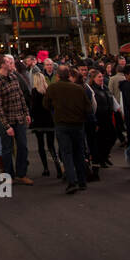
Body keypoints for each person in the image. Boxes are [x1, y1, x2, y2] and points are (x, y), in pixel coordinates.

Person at [44, 65, 93, 194]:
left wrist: (55, 109)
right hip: (77, 124)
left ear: (58, 76)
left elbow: (46, 104)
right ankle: (82, 181)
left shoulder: (53, 88)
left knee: (67, 153)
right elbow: (88, 107)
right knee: (79, 152)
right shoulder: (78, 88)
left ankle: (72, 181)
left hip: (62, 124)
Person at [0, 55, 33, 184]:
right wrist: (6, 126)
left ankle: (21, 173)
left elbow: (21, 96)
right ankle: (9, 175)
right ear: (2, 65)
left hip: (19, 117)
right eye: (8, 62)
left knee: (23, 146)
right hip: (7, 120)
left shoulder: (14, 77)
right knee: (7, 149)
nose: (11, 64)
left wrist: (26, 112)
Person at [29, 69, 60, 177]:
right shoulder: (49, 91)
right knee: (51, 145)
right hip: (49, 121)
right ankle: (58, 166)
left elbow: (33, 108)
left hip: (39, 122)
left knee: (41, 146)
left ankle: (46, 168)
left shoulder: (34, 92)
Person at [90, 68, 117, 168]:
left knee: (113, 136)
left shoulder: (105, 87)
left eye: (102, 76)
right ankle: (101, 159)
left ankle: (105, 156)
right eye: (99, 77)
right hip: (99, 118)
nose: (101, 78)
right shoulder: (93, 90)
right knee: (101, 140)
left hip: (108, 117)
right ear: (93, 79)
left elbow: (111, 99)